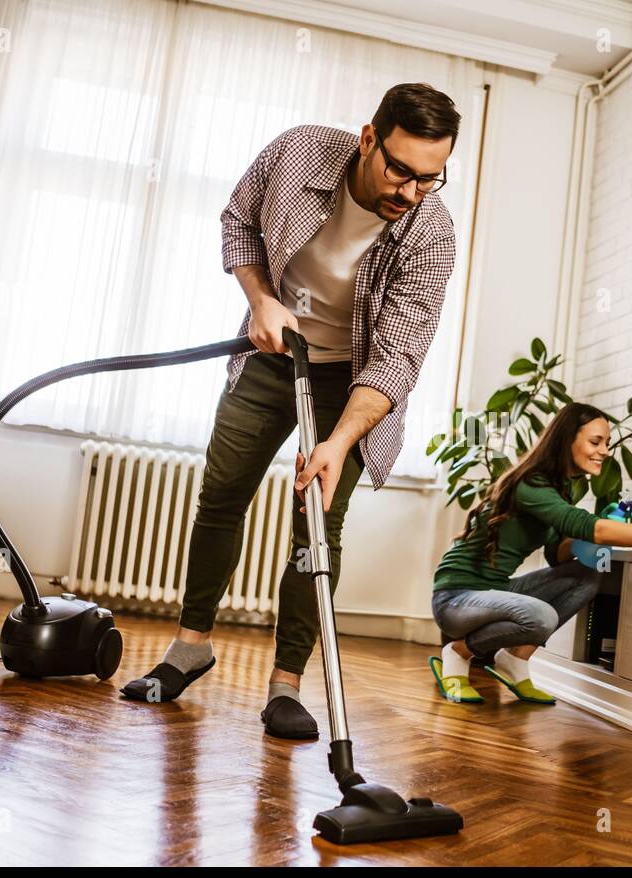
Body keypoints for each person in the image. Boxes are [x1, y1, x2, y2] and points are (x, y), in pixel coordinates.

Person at [121, 84, 461, 742]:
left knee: (317, 527)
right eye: (400, 170)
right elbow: (238, 221)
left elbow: (397, 358)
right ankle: (189, 648)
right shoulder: (300, 153)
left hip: (353, 384)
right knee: (220, 496)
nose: (410, 192)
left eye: (430, 177)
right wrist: (260, 298)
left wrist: (337, 442)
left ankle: (286, 685)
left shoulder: (432, 234)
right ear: (369, 139)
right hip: (270, 354)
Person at [429, 404, 632, 705]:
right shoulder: (532, 482)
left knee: (587, 575)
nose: (605, 451)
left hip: (494, 592)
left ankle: (515, 660)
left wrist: (595, 534)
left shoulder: (561, 489)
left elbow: (557, 555)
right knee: (541, 616)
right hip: (456, 598)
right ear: (567, 439)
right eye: (595, 442)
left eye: (607, 443)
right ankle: (458, 653)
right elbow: (586, 526)